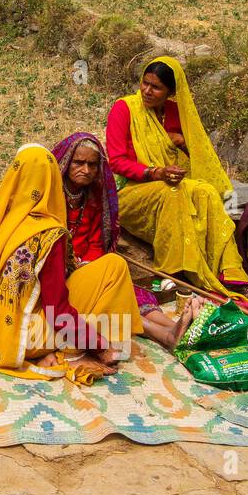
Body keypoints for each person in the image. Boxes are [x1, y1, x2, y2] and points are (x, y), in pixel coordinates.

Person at [106, 57, 248, 312]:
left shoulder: (175, 112)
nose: (147, 91)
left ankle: (231, 274)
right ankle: (172, 273)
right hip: (130, 192)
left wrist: (181, 142)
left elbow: (200, 156)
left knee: (205, 191)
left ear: (171, 92)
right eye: (145, 83)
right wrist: (156, 171)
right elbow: (116, 161)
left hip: (173, 185)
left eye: (156, 87)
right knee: (173, 192)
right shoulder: (124, 109)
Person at [0, 144, 144, 382]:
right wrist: (99, 346)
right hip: (23, 338)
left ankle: (63, 347)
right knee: (114, 269)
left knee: (111, 264)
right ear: (52, 180)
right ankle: (74, 354)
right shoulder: (48, 232)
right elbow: (56, 310)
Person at [53, 132, 202, 348]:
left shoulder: (93, 197)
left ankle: (176, 327)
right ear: (66, 162)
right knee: (115, 297)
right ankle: (166, 336)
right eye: (79, 162)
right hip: (58, 277)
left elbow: (96, 245)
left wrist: (88, 265)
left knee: (133, 293)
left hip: (86, 268)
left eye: (92, 165)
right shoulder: (50, 195)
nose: (86, 170)